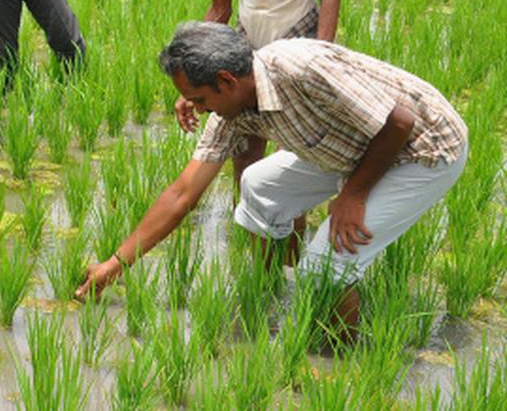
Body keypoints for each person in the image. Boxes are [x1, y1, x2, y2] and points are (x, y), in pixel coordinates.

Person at [77, 22, 468, 333]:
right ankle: (268, 289)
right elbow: (183, 194)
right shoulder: (233, 109)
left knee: (323, 266)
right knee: (259, 185)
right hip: (351, 146)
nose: (196, 109)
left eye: (199, 99)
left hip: (421, 149)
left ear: (227, 81)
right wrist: (114, 266)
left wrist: (354, 194)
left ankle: (341, 356)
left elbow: (399, 122)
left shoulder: (302, 69)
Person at [177, 0, 342, 259]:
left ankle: (291, 254)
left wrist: (319, 58)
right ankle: (258, 257)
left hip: (297, 51)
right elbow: (219, 8)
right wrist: (191, 80)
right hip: (248, 53)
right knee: (246, 161)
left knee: (291, 164)